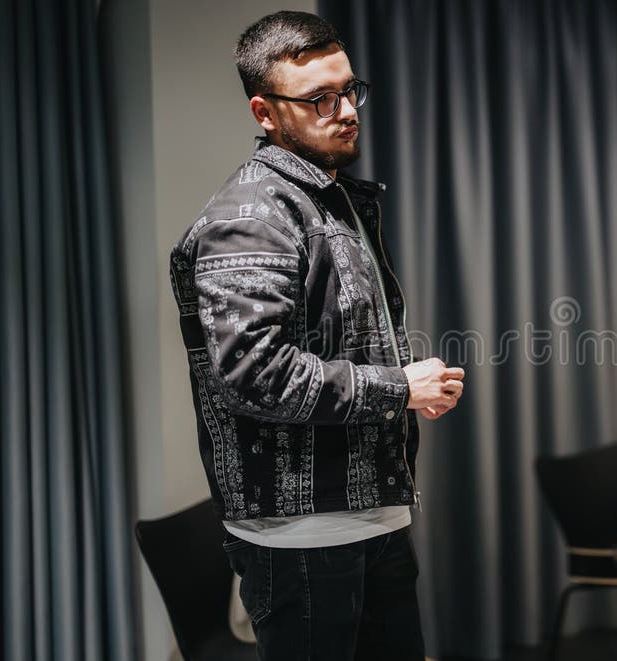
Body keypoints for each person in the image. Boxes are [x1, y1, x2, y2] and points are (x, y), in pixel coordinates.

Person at [169, 11, 464, 660]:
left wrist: (414, 384)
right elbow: (254, 375)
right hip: (301, 537)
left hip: (372, 518)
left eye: (349, 90)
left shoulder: (332, 201)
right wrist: (396, 388)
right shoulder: (250, 215)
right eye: (318, 99)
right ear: (265, 112)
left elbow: (335, 341)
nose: (344, 110)